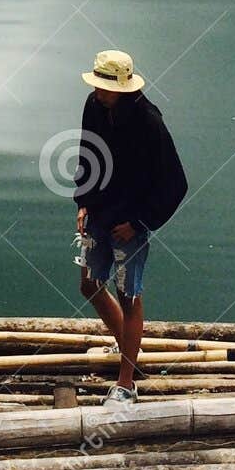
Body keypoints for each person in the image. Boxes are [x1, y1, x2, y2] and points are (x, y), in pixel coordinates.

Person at [72, 49, 187, 405]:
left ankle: (126, 383)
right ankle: (127, 347)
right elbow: (87, 153)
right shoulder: (95, 106)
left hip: (130, 223)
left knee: (129, 294)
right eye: (97, 86)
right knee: (89, 285)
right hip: (100, 212)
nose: (97, 92)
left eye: (104, 87)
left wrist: (139, 221)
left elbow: (174, 183)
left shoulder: (148, 121)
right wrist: (84, 201)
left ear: (122, 88)